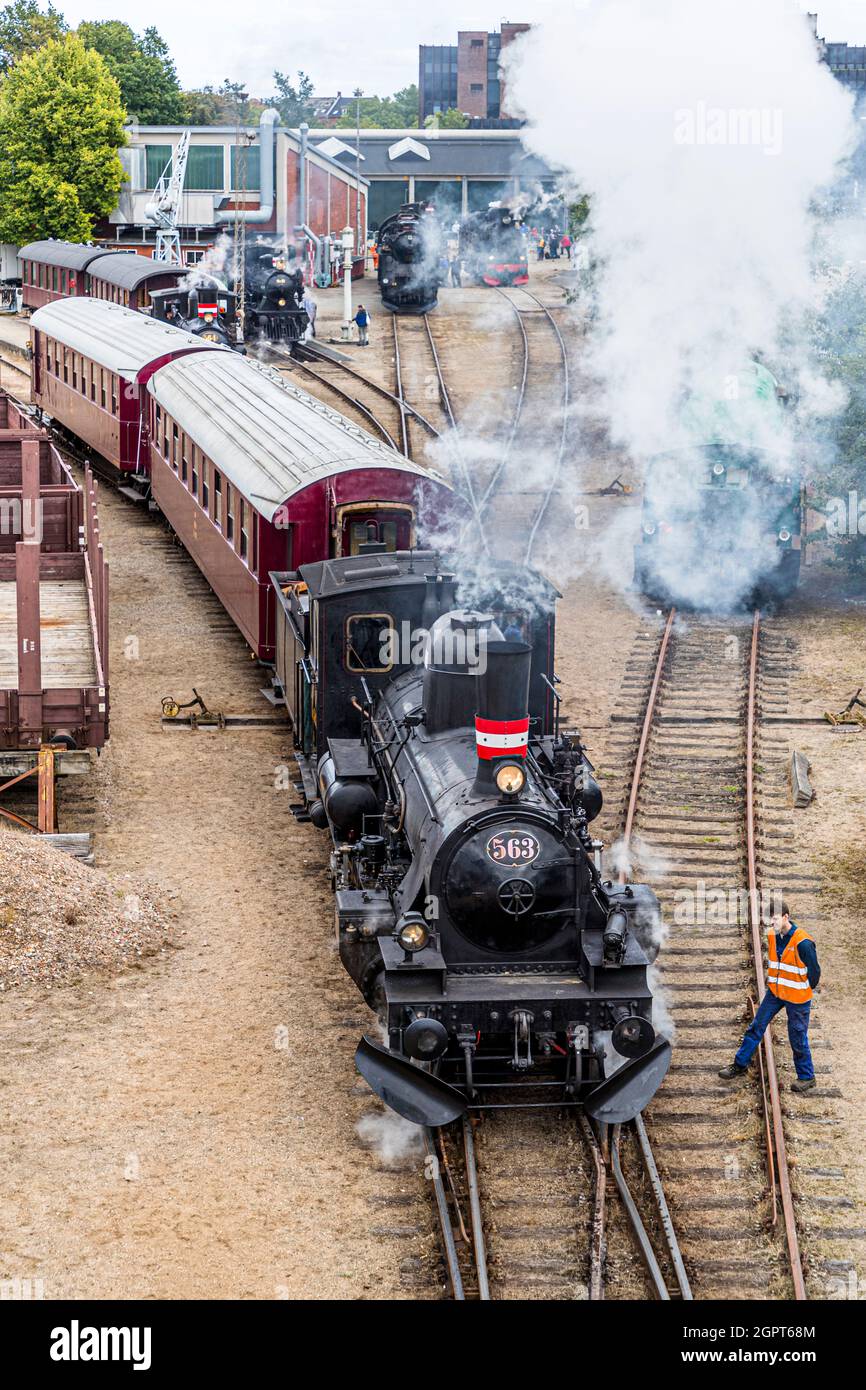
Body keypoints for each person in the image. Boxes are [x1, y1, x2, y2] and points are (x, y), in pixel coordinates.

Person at [718, 900, 820, 1092]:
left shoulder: (803, 942)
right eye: (769, 919)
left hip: (797, 997)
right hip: (776, 992)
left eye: (774, 919)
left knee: (797, 1036)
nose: (771, 923)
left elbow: (814, 973)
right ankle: (740, 1065)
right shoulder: (773, 935)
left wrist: (803, 987)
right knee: (756, 1026)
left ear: (785, 917)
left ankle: (807, 1077)